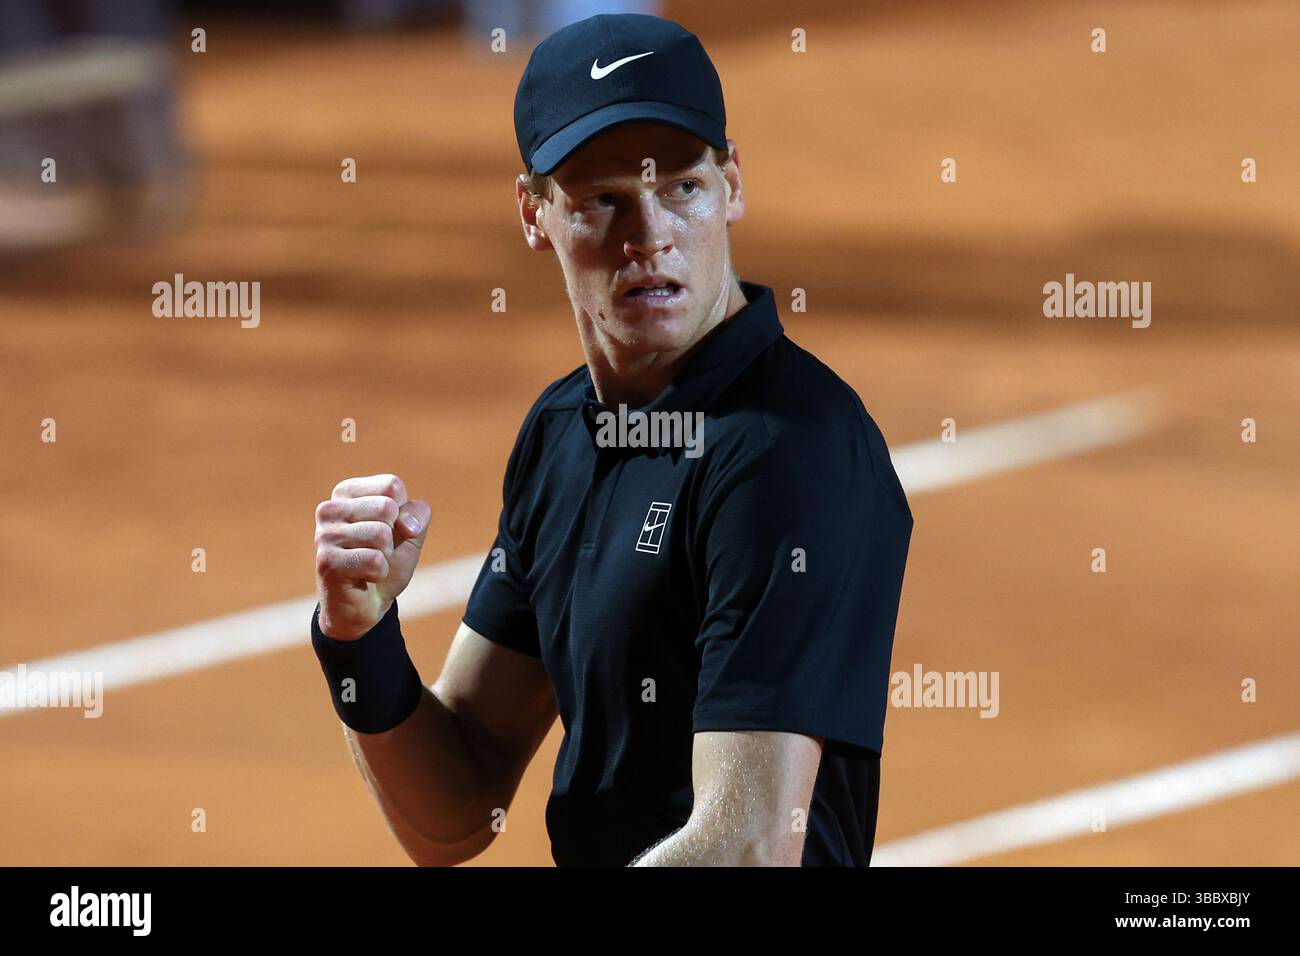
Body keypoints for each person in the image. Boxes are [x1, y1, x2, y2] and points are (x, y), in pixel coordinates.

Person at [311, 13, 913, 866]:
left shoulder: (787, 453)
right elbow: (454, 807)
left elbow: (747, 847)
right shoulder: (564, 435)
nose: (650, 236)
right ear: (534, 212)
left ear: (733, 184)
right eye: (604, 201)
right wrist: (357, 638)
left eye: (682, 188)